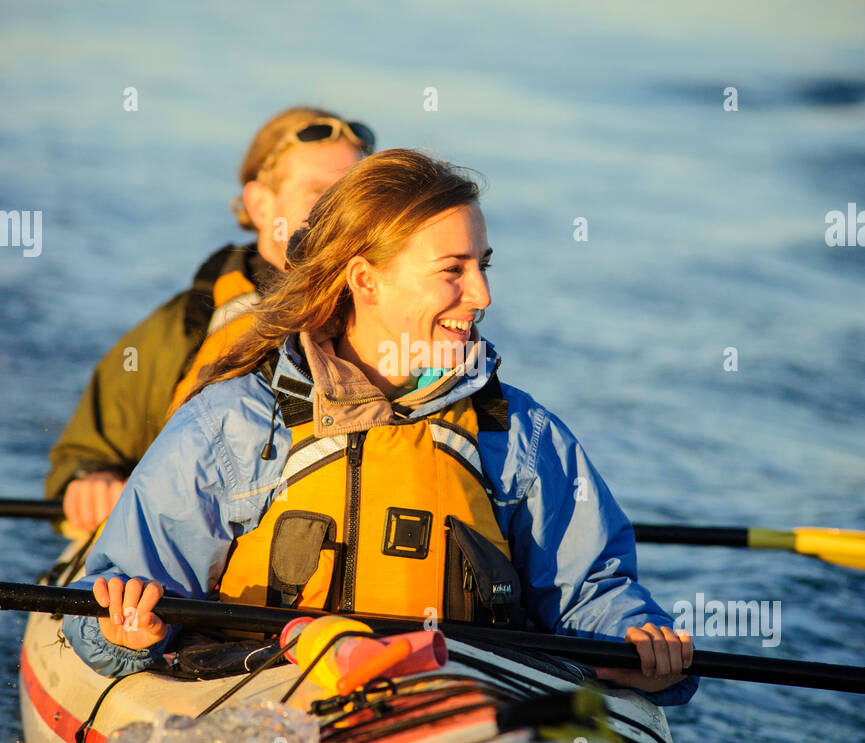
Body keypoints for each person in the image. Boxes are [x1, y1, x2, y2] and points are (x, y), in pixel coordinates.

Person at [63, 149, 696, 704]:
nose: (482, 294)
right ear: (365, 279)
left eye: (484, 264)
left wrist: (633, 642)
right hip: (262, 704)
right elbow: (116, 588)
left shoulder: (522, 437)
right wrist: (123, 628)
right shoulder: (230, 425)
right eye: (453, 270)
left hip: (466, 712)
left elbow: (590, 594)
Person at [46, 107, 375, 530]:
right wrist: (90, 478)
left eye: (354, 195)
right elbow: (86, 450)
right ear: (259, 205)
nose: (341, 212)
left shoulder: (396, 320)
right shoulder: (186, 326)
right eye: (318, 194)